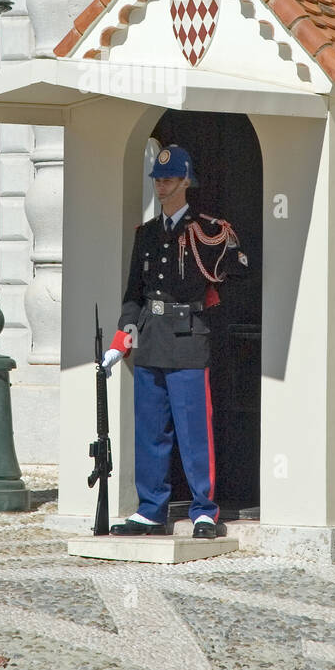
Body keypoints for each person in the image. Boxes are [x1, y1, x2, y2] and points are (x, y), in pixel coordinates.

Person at [103, 144, 248, 539]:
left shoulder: (210, 231)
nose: (161, 186)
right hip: (151, 338)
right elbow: (134, 294)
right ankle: (151, 510)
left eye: (168, 179)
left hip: (188, 339)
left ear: (186, 181)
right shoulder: (147, 234)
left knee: (193, 431)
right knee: (150, 431)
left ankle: (204, 511)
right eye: (158, 179)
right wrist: (121, 340)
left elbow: (236, 277)